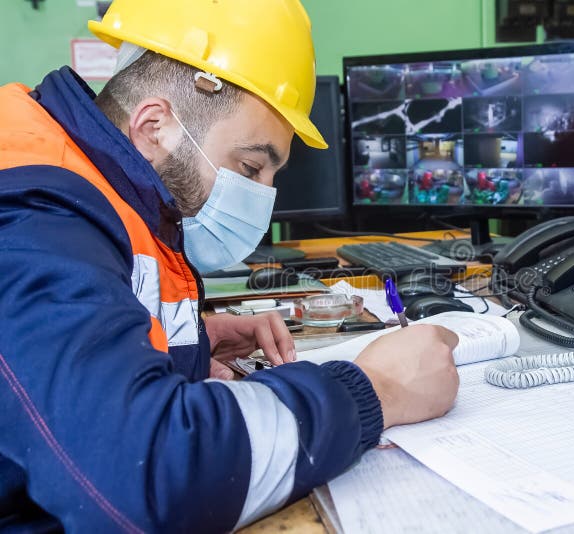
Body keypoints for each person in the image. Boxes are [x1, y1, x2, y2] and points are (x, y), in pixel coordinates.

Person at [0, 0, 459, 531]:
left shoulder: (96, 187)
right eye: (251, 166)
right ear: (154, 127)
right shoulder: (35, 219)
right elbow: (149, 476)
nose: (263, 197)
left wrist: (176, 347)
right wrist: (377, 389)